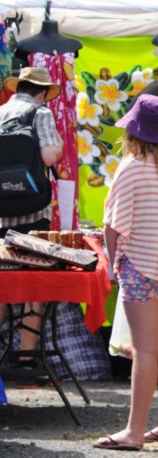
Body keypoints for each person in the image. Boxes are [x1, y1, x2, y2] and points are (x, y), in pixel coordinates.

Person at [94, 94, 158, 451]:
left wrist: (112, 260)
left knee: (145, 351)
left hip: (139, 266)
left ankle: (134, 432)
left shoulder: (131, 167)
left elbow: (113, 226)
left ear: (135, 133)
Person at [0, 67, 64, 366]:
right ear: (40, 93)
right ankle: (26, 357)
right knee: (33, 283)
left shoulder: (1, 112)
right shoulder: (41, 114)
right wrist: (59, 147)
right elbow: (50, 156)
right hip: (33, 211)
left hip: (2, 213)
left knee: (2, 280)